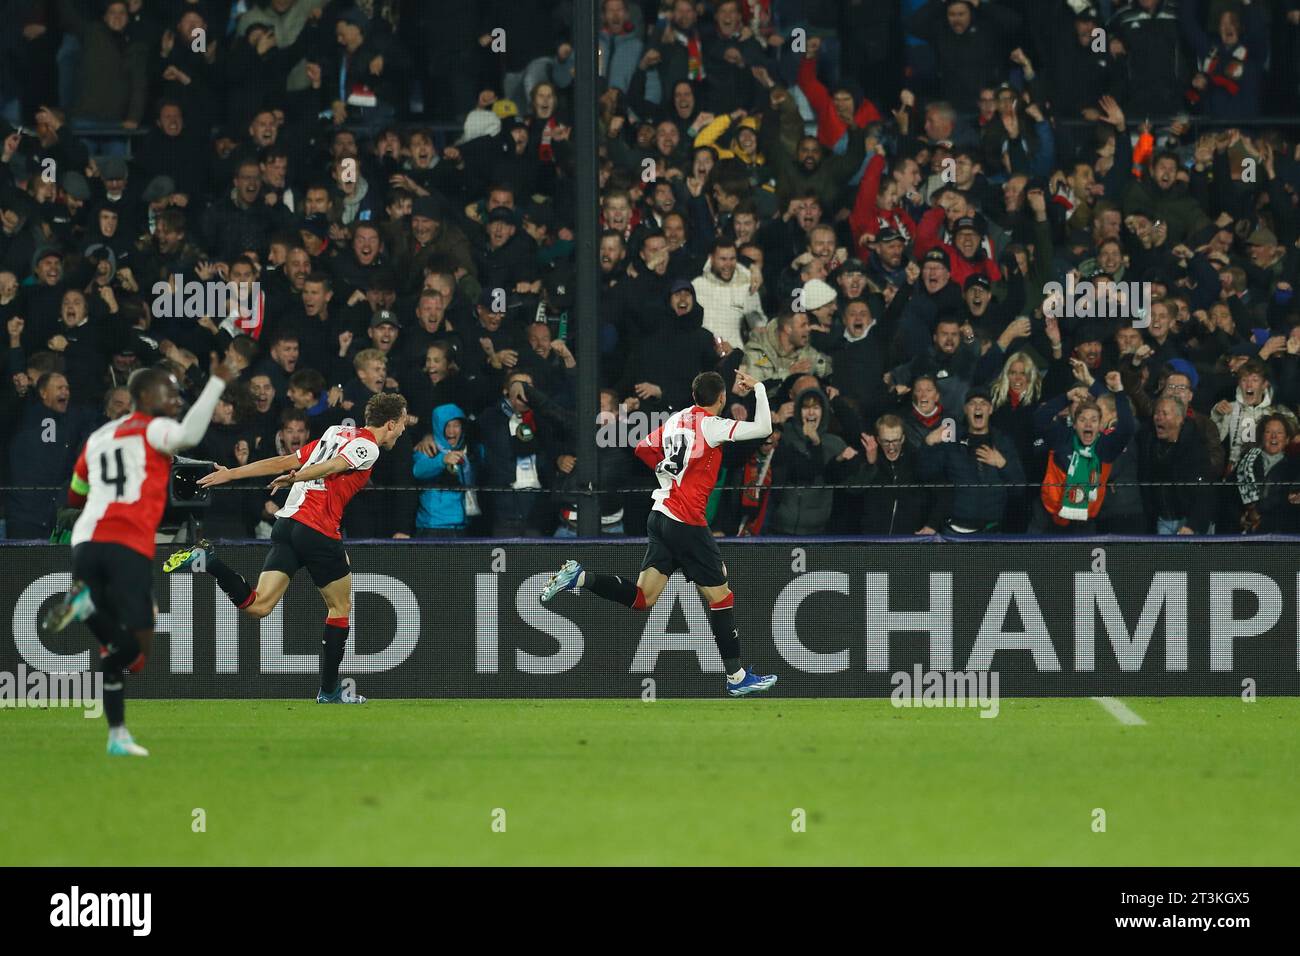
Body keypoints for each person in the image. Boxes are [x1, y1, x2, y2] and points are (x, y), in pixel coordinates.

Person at [41, 356, 237, 756]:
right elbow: (190, 433)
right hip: (127, 542)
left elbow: (76, 493)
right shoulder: (154, 427)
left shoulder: (98, 437)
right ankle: (84, 609)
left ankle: (117, 735)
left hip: (86, 540)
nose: (175, 399)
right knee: (138, 651)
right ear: (144, 396)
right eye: (169, 391)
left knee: (115, 648)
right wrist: (216, 382)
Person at [539, 370, 778, 697]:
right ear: (721, 399)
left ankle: (580, 578)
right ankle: (736, 677)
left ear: (695, 396)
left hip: (661, 514)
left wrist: (665, 470)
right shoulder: (712, 424)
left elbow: (642, 447)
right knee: (721, 596)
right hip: (686, 521)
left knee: (643, 598)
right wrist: (760, 389)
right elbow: (764, 428)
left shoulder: (678, 419)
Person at [161, 393, 410, 704]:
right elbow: (332, 465)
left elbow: (286, 460)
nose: (403, 429)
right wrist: (298, 477)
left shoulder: (336, 432)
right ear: (390, 422)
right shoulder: (368, 446)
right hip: (317, 530)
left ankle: (209, 562)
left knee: (258, 606)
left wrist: (232, 474)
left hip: (287, 526)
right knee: (340, 608)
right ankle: (330, 691)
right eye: (402, 422)